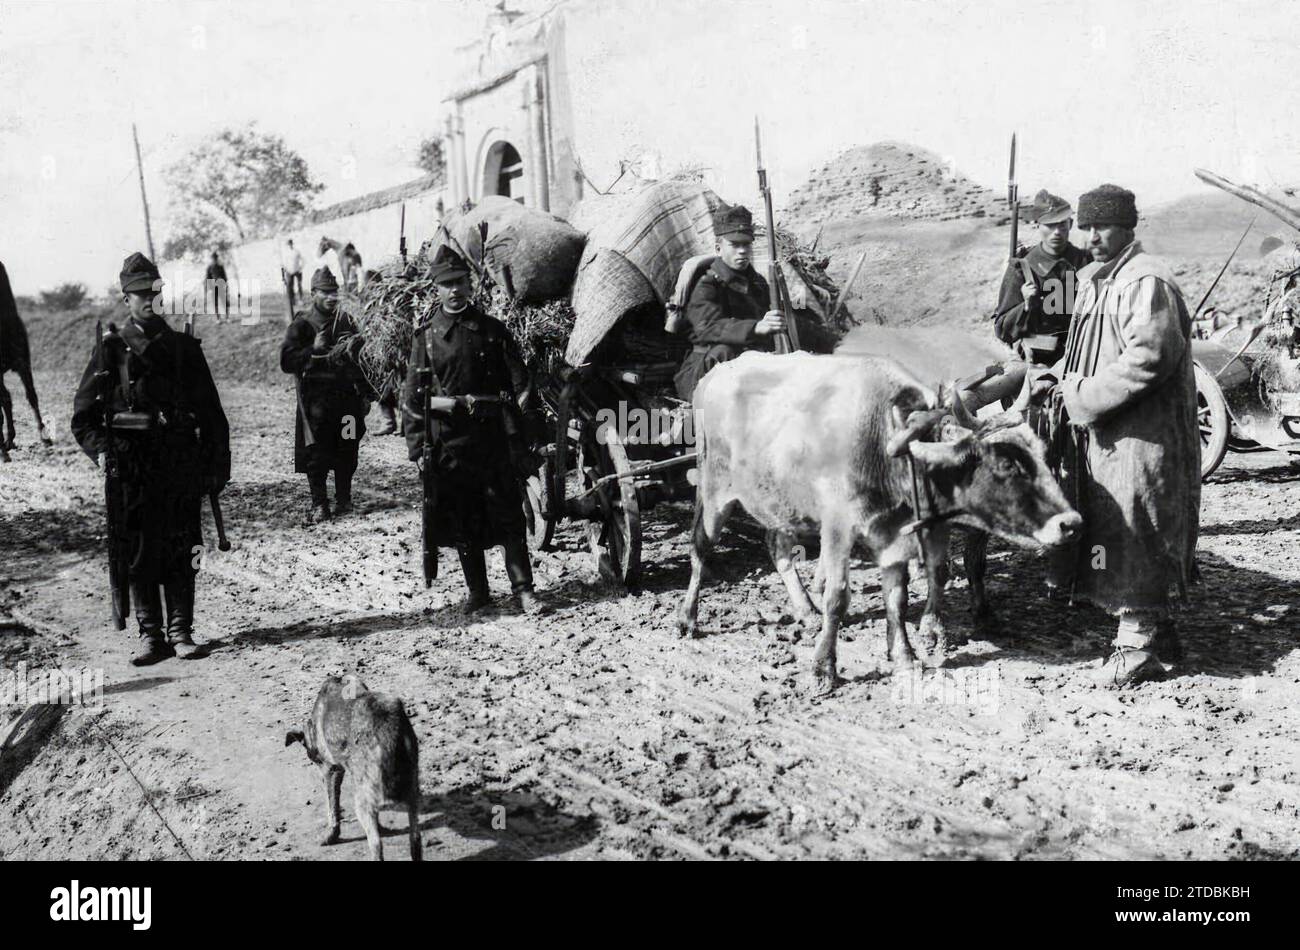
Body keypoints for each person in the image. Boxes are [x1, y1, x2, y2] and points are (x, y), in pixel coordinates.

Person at [1035, 184, 1200, 687]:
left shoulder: (1145, 281)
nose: (1091, 236)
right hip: (1109, 433)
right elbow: (1086, 350)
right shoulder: (1095, 280)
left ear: (1129, 226)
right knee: (1115, 525)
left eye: (1102, 226)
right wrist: (1056, 374)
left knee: (1137, 522)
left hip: (1142, 435)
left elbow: (1147, 358)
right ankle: (1157, 631)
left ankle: (1136, 647)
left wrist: (1080, 395)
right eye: (1086, 226)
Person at [70, 253, 230, 666]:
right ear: (126, 299)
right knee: (139, 551)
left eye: (155, 292)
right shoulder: (111, 351)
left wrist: (215, 467)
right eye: (140, 294)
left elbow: (212, 414)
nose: (149, 300)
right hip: (132, 469)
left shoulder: (182, 349)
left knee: (182, 546)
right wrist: (102, 453)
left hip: (178, 464)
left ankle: (181, 633)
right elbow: (83, 418)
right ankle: (151, 635)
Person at [402, 246, 541, 615]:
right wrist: (418, 449)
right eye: (446, 284)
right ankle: (478, 592)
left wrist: (525, 435)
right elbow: (413, 399)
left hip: (493, 440)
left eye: (460, 282)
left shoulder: (494, 331)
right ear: (435, 289)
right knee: (466, 521)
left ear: (471, 283)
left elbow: (521, 384)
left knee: (510, 518)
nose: (454, 290)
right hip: (450, 446)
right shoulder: (427, 338)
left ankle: (524, 590)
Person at [279, 267, 369, 523]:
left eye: (334, 292)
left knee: (348, 447)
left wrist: (365, 394)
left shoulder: (347, 322)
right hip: (317, 401)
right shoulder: (302, 324)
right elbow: (286, 361)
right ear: (313, 294)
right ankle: (320, 504)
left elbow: (361, 360)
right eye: (325, 292)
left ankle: (344, 500)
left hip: (348, 400)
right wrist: (312, 350)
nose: (331, 297)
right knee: (317, 452)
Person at [673, 203, 788, 400]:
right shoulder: (707, 285)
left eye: (746, 244)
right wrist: (755, 327)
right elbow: (708, 326)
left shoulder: (757, 281)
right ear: (719, 248)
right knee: (725, 352)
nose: (742, 251)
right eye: (734, 245)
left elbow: (777, 311)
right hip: (705, 369)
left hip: (748, 363)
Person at [992, 190, 1089, 364]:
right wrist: (1026, 306)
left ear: (1071, 224)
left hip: (1083, 356)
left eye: (1062, 224)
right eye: (1050, 225)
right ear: (1038, 226)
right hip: (1039, 363)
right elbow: (1003, 331)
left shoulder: (1085, 261)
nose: (1057, 232)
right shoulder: (1022, 268)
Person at [205, 251, 229, 321]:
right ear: (212, 259)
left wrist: (226, 286)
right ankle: (218, 318)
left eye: (216, 258)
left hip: (221, 286)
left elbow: (225, 277)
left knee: (224, 302)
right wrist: (209, 288)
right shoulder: (209, 267)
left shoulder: (220, 266)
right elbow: (208, 278)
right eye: (213, 258)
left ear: (217, 258)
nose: (215, 260)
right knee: (215, 303)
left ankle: (227, 317)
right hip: (213, 287)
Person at [282, 239, 304, 309]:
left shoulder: (296, 252)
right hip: (289, 271)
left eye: (290, 244)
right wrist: (285, 270)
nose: (290, 245)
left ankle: (301, 299)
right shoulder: (286, 253)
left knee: (299, 285)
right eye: (288, 244)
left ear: (292, 244)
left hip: (297, 270)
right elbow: (284, 263)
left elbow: (303, 260)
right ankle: (293, 300)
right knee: (290, 286)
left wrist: (300, 267)